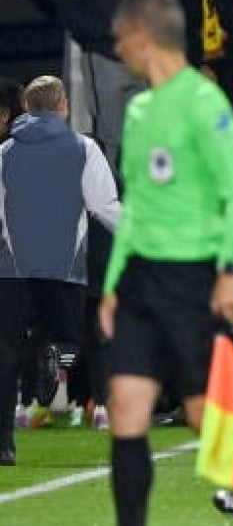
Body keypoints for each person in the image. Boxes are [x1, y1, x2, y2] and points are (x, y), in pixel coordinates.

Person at [100, 0, 233, 526]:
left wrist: (232, 269)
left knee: (202, 417)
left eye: (121, 38)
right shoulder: (139, 110)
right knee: (126, 409)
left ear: (143, 36)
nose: (116, 49)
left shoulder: (204, 102)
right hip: (143, 283)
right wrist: (115, 282)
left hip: (194, 283)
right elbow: (136, 207)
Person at [0, 76, 121, 466]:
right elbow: (105, 207)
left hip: (12, 269)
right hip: (62, 267)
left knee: (5, 352)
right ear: (64, 106)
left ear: (27, 108)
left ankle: (4, 443)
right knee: (73, 337)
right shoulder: (83, 149)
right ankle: (52, 358)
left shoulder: (4, 153)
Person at [60, 0, 147, 172]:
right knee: (109, 137)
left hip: (137, 61)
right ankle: (102, 205)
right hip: (104, 59)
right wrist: (103, 32)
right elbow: (67, 10)